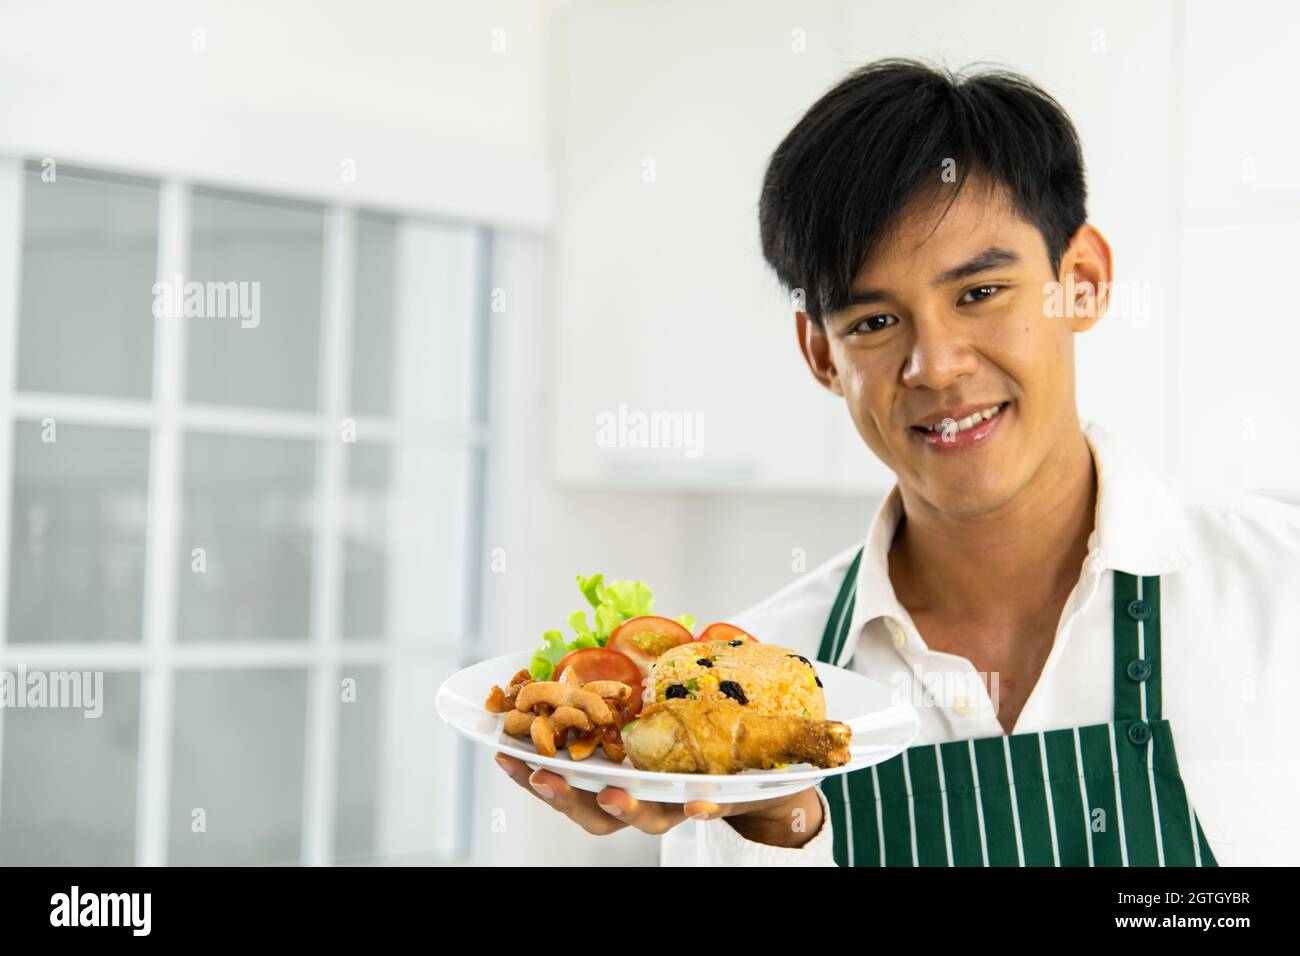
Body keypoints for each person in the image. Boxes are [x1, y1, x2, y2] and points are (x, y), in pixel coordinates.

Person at [496, 58, 1300, 866]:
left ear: (1080, 282)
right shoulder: (747, 708)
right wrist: (794, 833)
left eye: (979, 293)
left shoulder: (1279, 594)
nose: (936, 366)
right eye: (875, 321)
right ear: (820, 353)